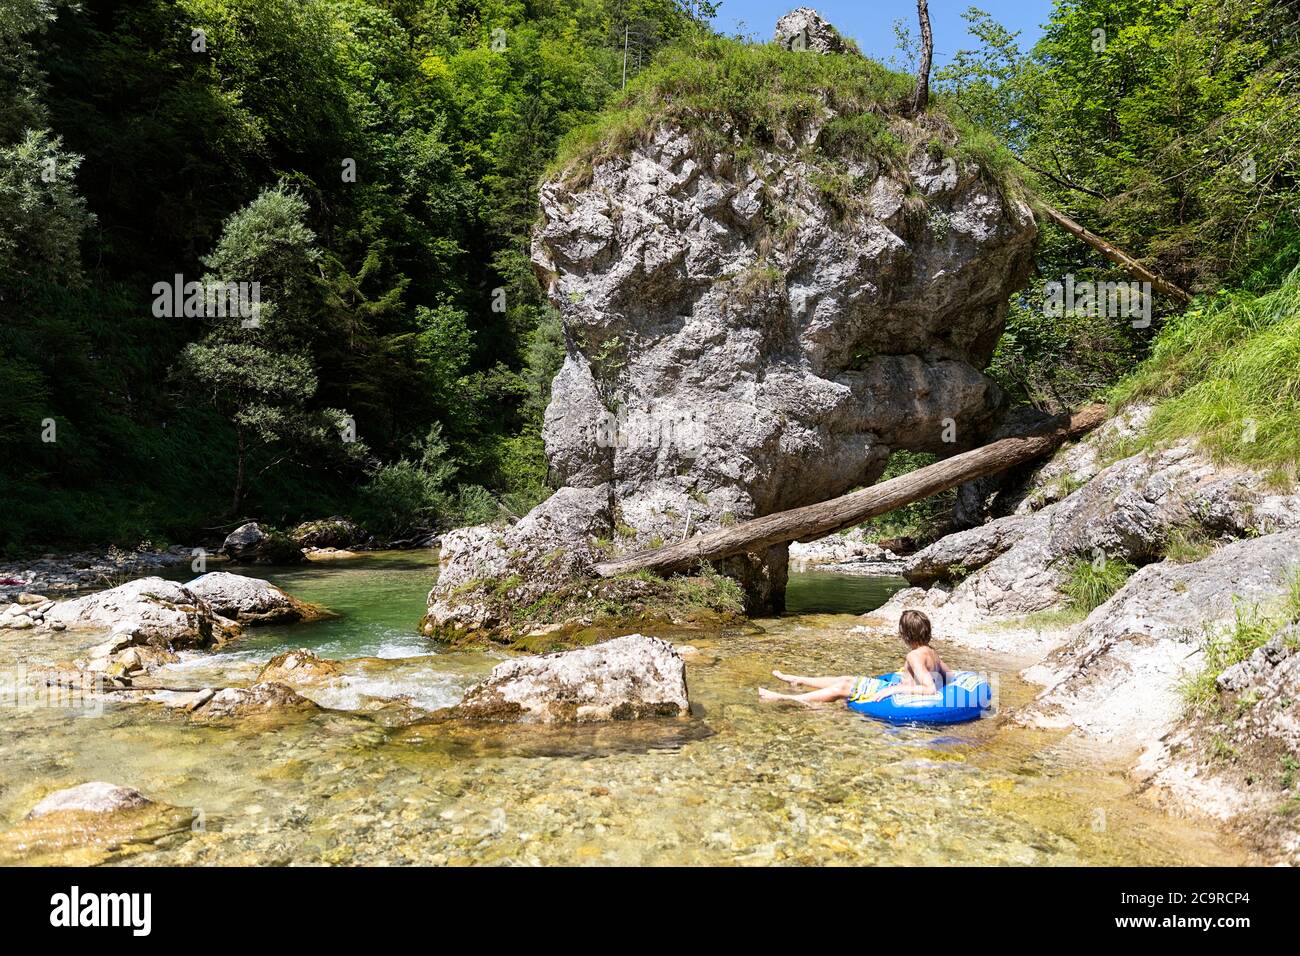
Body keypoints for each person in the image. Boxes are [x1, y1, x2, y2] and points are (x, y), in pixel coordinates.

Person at [757, 609, 952, 705]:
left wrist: (898, 689)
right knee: (847, 679)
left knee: (842, 688)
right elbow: (949, 676)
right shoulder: (931, 652)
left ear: (905, 634)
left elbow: (930, 689)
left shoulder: (914, 656)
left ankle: (787, 698)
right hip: (892, 687)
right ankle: (798, 679)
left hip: (894, 693)